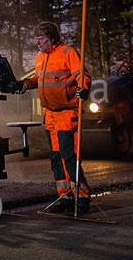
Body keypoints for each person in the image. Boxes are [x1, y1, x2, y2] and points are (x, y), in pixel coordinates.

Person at [18, 21, 91, 213]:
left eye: (40, 39)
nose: (37, 43)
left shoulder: (68, 52)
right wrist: (27, 84)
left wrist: (83, 88)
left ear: (51, 38)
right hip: (50, 115)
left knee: (68, 156)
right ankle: (65, 196)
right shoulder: (41, 56)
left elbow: (82, 75)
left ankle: (81, 197)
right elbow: (42, 79)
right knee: (56, 158)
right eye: (36, 39)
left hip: (66, 114)